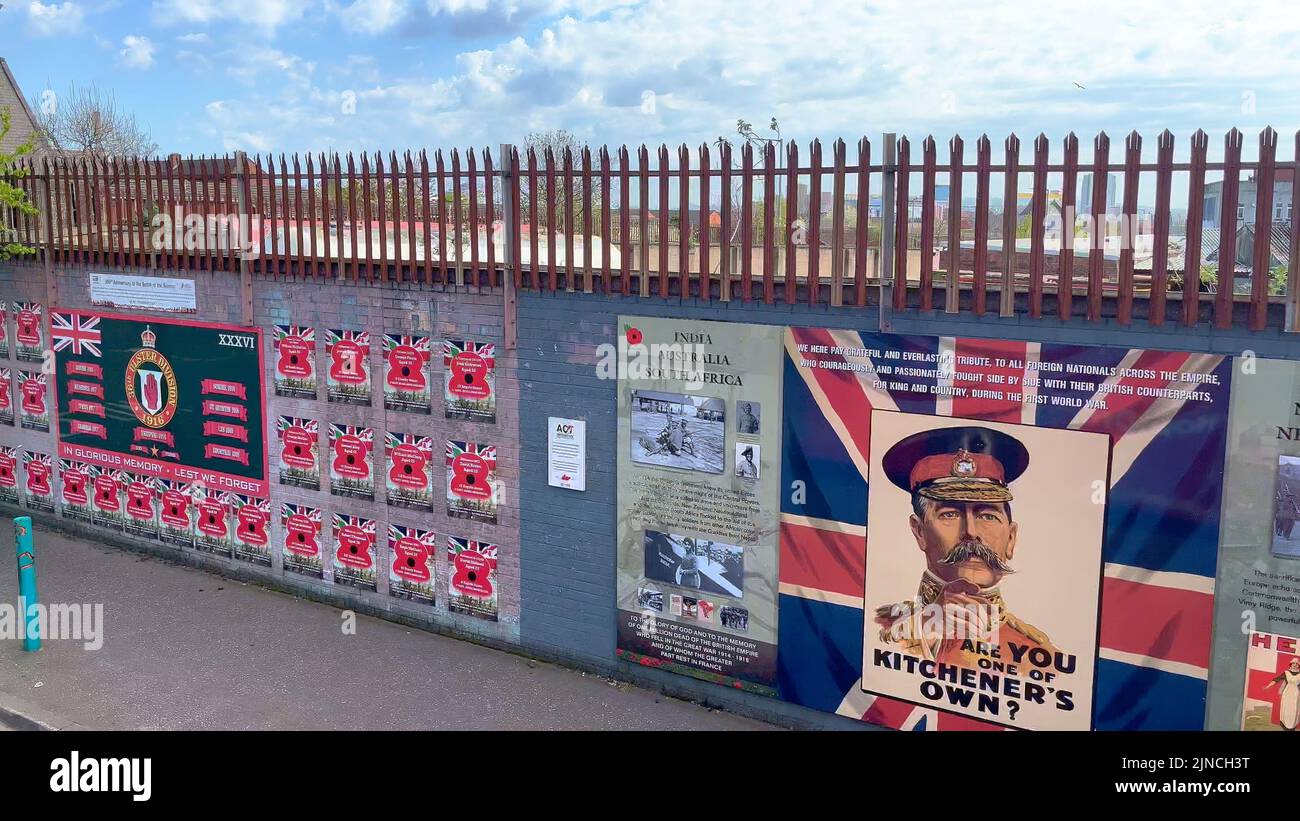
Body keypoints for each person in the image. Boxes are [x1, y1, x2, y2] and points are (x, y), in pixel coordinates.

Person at [873, 425, 1057, 666]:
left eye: (988, 516)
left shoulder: (1039, 655)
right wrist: (930, 623)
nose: (971, 532)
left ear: (1011, 539)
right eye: (950, 514)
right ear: (919, 531)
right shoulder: (882, 627)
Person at [1264, 658, 1300, 730]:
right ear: (1291, 664)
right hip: (1287, 694)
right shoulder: (1286, 673)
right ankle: (1285, 725)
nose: (1295, 665)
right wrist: (1268, 686)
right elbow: (1277, 679)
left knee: (1294, 710)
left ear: (1298, 665)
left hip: (1296, 695)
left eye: (1296, 664)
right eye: (1293, 663)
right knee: (1286, 709)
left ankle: (1292, 726)